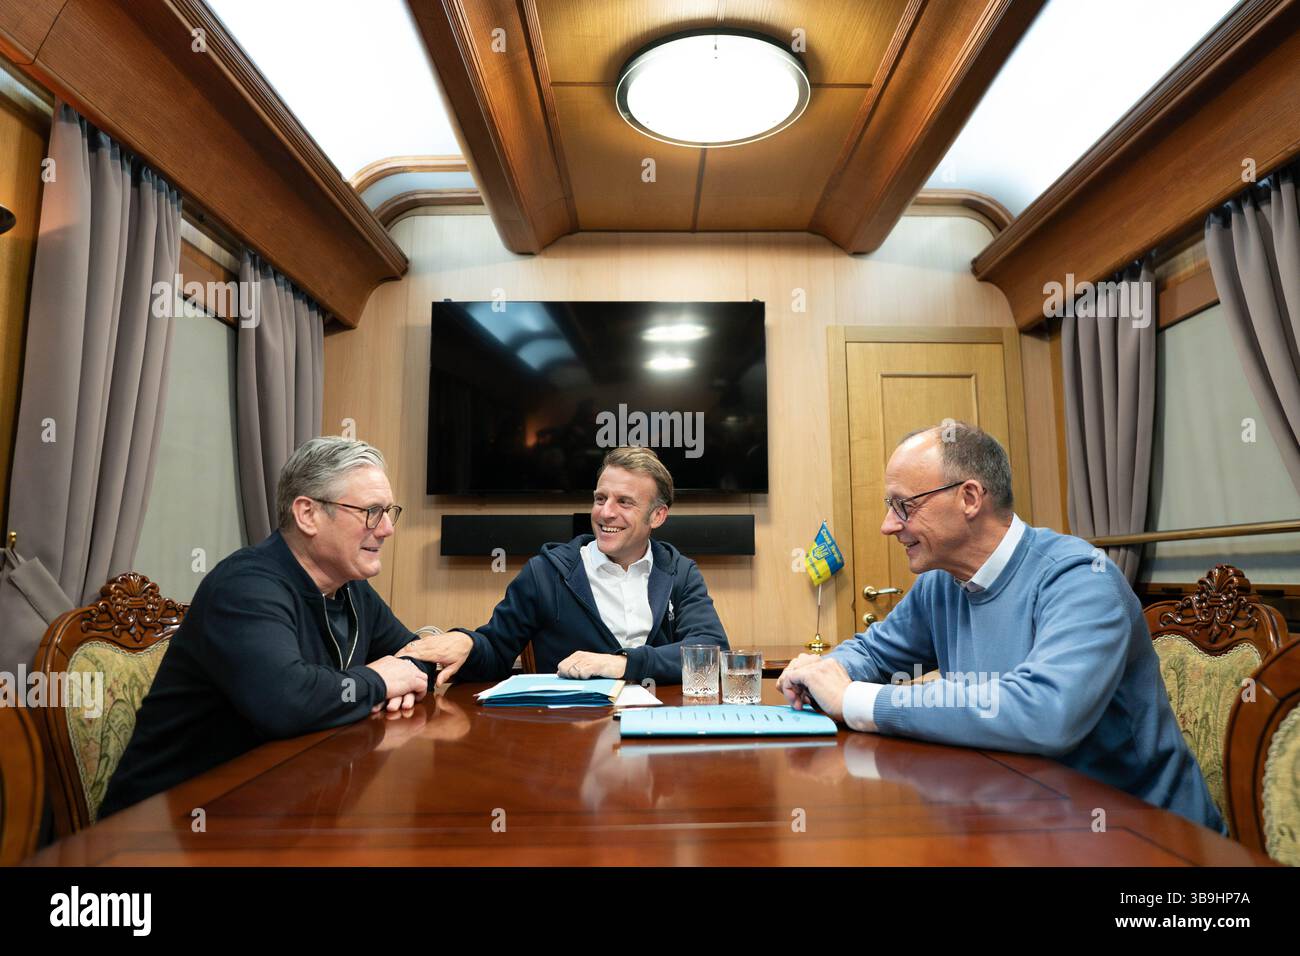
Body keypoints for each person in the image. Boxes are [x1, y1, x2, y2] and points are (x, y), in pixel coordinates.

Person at [777, 422, 1224, 832]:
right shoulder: (940, 583)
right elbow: (874, 655)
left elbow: (1047, 713)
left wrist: (855, 699)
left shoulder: (1080, 578)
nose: (888, 525)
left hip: (1141, 836)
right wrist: (822, 674)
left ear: (970, 498)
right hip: (1020, 819)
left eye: (904, 506)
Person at [100, 438, 433, 817]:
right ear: (308, 514)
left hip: (281, 803)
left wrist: (407, 675)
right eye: (372, 512)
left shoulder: (350, 587)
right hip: (171, 823)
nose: (387, 528)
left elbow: (415, 656)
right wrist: (379, 681)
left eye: (388, 512)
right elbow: (286, 701)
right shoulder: (245, 586)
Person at [404, 446, 728, 685]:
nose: (605, 513)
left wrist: (624, 664)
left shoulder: (679, 571)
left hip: (656, 736)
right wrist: (468, 642)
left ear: (657, 515)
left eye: (624, 502)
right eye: (600, 499)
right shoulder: (545, 573)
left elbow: (710, 652)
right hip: (569, 742)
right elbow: (496, 651)